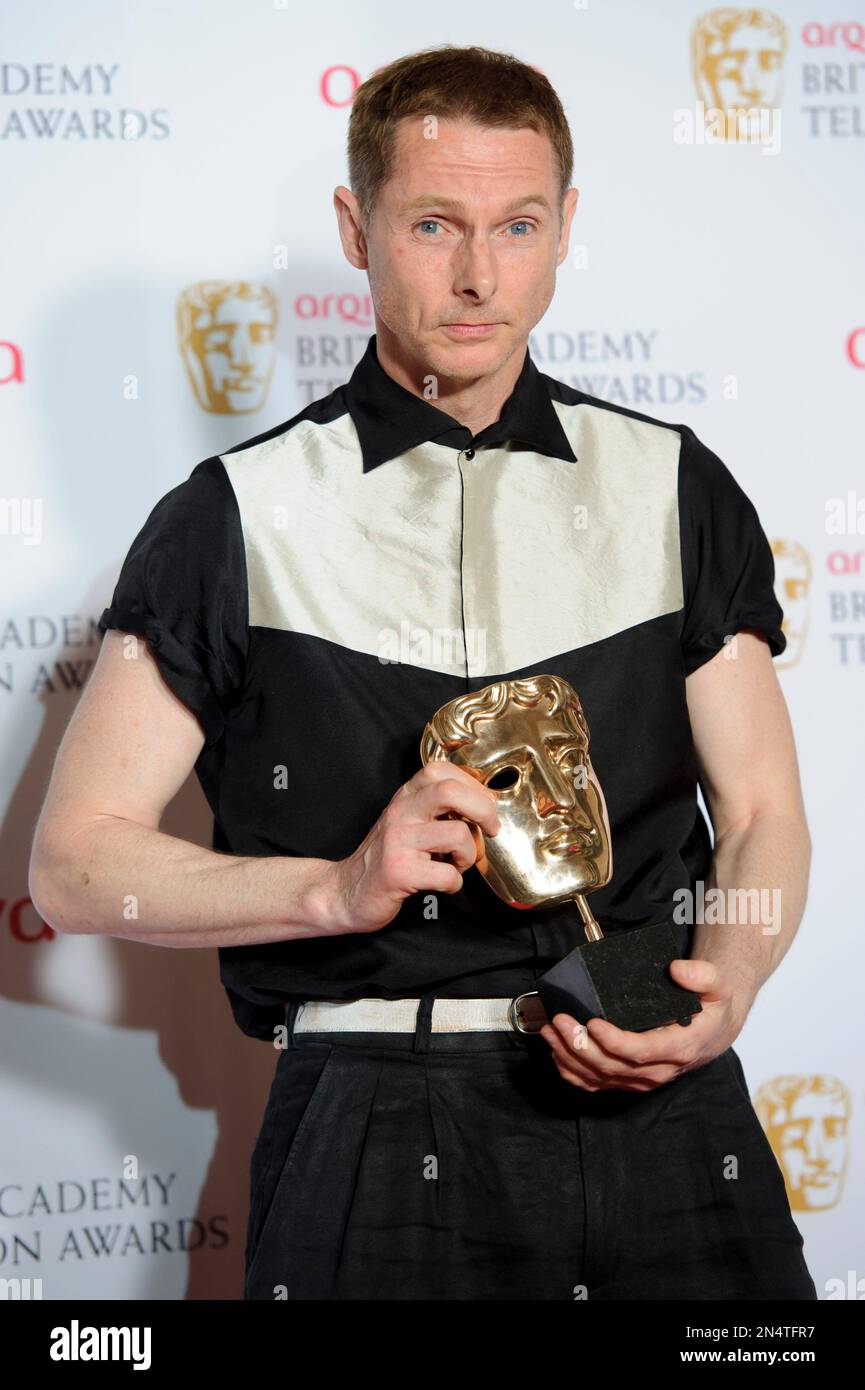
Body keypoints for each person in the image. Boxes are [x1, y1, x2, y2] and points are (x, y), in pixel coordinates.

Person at [29, 44, 817, 1301]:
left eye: (516, 225)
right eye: (432, 224)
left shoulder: (676, 483)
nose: (476, 274)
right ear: (356, 228)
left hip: (669, 1104)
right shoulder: (228, 516)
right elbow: (71, 870)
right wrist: (339, 889)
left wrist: (726, 979)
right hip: (377, 1126)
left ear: (567, 228)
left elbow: (766, 813)